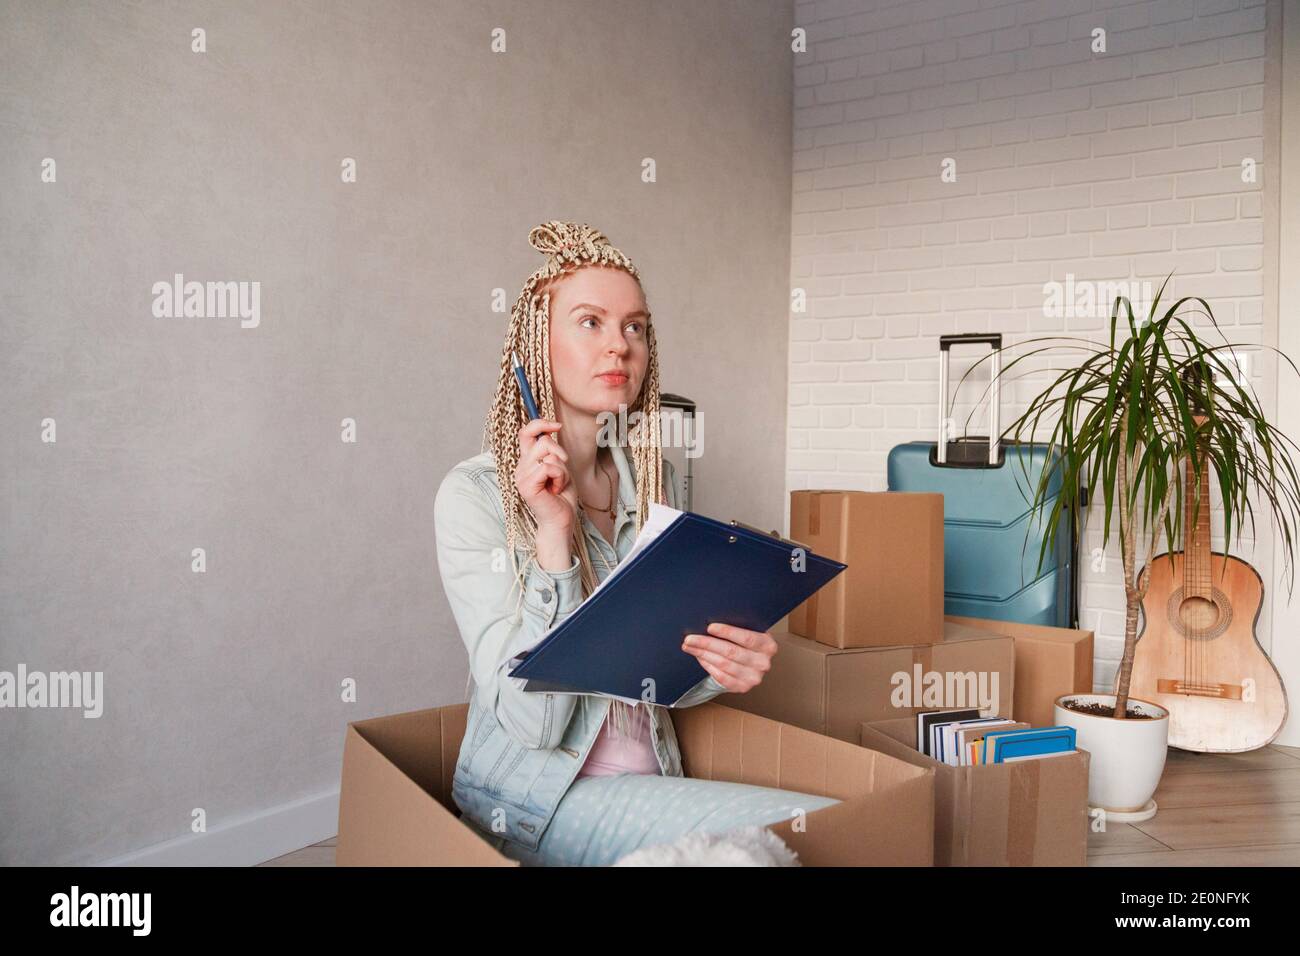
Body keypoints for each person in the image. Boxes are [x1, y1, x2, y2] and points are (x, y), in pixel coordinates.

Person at [433, 220, 839, 866]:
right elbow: (534, 724)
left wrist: (721, 664)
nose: (618, 345)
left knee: (819, 832)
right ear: (535, 346)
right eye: (590, 322)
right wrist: (555, 536)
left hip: (652, 783)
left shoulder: (655, 479)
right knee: (817, 829)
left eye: (635, 326)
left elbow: (657, 666)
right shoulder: (472, 498)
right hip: (539, 804)